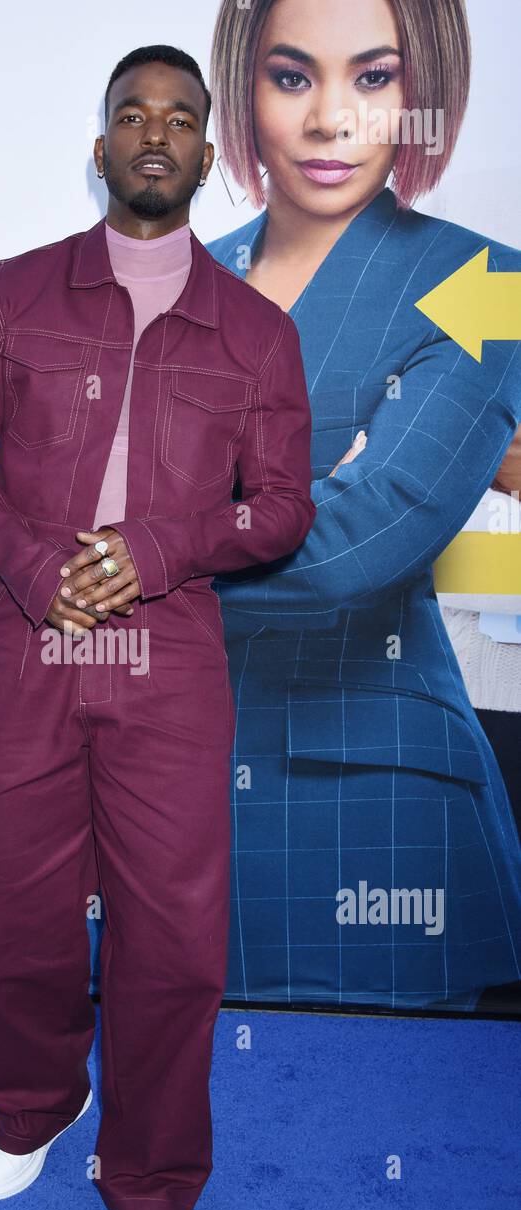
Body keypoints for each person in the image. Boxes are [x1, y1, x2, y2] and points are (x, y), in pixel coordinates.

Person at [0, 44, 315, 1210]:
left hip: (172, 656)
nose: (155, 134)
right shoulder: (13, 293)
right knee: (3, 891)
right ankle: (34, 1103)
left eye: (180, 118)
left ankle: (148, 1179)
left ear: (207, 154)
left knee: (172, 933)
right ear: (99, 149)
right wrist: (40, 571)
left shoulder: (254, 334)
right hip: (28, 641)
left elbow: (283, 511)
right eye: (131, 116)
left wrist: (149, 551)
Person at [203, 0, 521, 1010]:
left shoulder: (484, 281)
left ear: (422, 87)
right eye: (291, 76)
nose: (330, 118)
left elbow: (367, 531)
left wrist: (133, 566)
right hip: (161, 796)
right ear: (243, 87)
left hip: (369, 806)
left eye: (371, 78)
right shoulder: (170, 283)